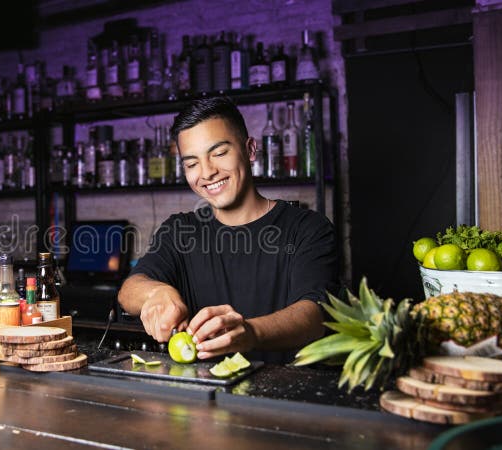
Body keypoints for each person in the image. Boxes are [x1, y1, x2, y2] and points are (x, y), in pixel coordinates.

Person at [118, 97, 338, 363]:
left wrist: (251, 332)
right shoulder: (180, 230)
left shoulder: (308, 228)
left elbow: (315, 315)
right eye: (191, 164)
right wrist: (156, 294)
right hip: (200, 397)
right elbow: (129, 290)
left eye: (219, 153)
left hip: (283, 397)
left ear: (251, 149)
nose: (207, 172)